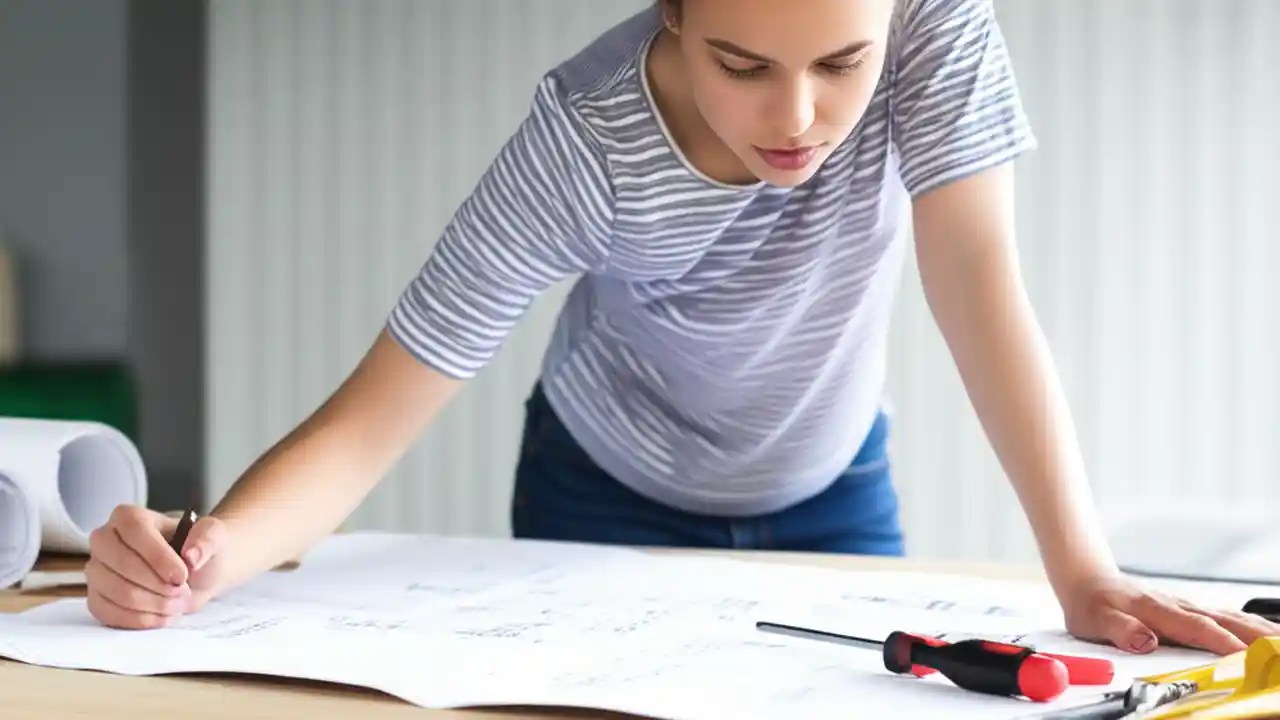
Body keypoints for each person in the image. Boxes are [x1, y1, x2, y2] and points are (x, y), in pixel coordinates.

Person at [86, 0, 1278, 657]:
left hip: (831, 481)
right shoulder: (581, 139)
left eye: (840, 62)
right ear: (671, 11)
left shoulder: (936, 33)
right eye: (742, 62)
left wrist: (1077, 570)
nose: (799, 119)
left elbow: (975, 284)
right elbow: (376, 413)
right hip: (600, 489)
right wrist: (206, 559)